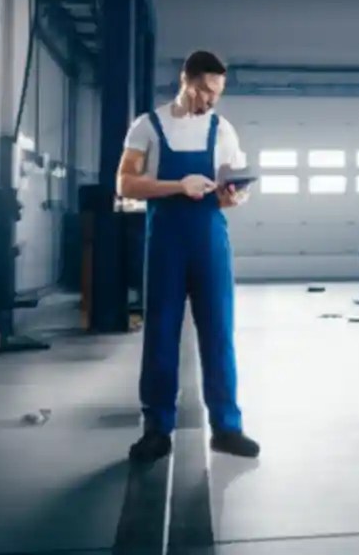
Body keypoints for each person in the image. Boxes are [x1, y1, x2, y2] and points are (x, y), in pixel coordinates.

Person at [116, 50, 260, 462]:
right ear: (185, 79)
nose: (210, 100)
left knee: (219, 333)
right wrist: (179, 185)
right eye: (204, 90)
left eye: (217, 93)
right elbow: (125, 184)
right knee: (160, 333)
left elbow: (235, 194)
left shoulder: (223, 130)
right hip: (165, 241)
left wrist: (234, 195)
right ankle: (157, 430)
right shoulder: (148, 126)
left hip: (210, 239)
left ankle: (227, 428)